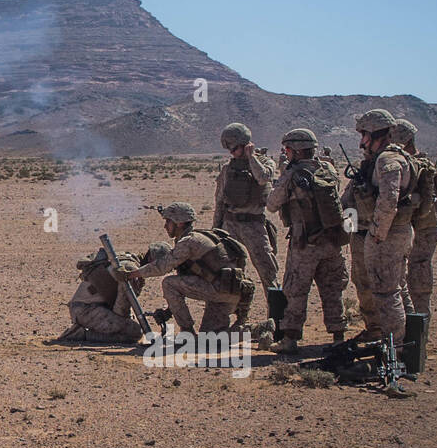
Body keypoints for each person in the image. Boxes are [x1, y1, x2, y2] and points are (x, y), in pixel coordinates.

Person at [265, 128, 349, 354]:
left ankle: (290, 340)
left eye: (288, 150)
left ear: (294, 150)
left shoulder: (292, 174)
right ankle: (338, 337)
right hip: (332, 239)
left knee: (296, 290)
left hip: (305, 242)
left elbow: (272, 204)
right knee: (332, 289)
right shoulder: (328, 169)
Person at [338, 109, 415, 343]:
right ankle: (382, 333)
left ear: (375, 134)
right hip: (370, 232)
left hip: (384, 236)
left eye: (364, 135)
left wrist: (376, 234)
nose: (362, 142)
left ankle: (399, 346)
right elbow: (352, 199)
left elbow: (388, 201)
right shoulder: (376, 160)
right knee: (382, 287)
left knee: (386, 291)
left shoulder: (388, 160)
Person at [121, 202, 252, 334]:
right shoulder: (204, 236)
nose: (165, 226)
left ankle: (186, 331)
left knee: (169, 284)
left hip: (218, 291)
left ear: (179, 223)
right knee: (210, 339)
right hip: (231, 293)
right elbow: (190, 279)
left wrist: (130, 274)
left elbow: (161, 267)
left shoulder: (188, 242)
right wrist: (168, 312)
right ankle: (255, 331)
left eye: (168, 221)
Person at [212, 123, 279, 327]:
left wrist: (252, 158)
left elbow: (263, 178)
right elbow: (219, 201)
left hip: (254, 225)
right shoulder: (228, 168)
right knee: (231, 273)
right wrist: (216, 231)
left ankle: (278, 322)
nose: (232, 154)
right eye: (229, 150)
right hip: (231, 224)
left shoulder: (264, 162)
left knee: (269, 273)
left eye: (234, 148)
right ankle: (240, 319)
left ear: (245, 144)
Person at [389, 118, 437, 317]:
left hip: (415, 230)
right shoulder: (425, 165)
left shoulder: (408, 166)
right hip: (425, 229)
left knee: (405, 280)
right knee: (416, 277)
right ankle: (418, 327)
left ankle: (414, 330)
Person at [59, 247, 145, 343]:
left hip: (87, 307)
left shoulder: (126, 262)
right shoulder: (130, 270)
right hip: (86, 310)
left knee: (127, 326)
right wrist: (126, 323)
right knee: (134, 332)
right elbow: (121, 308)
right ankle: (80, 334)